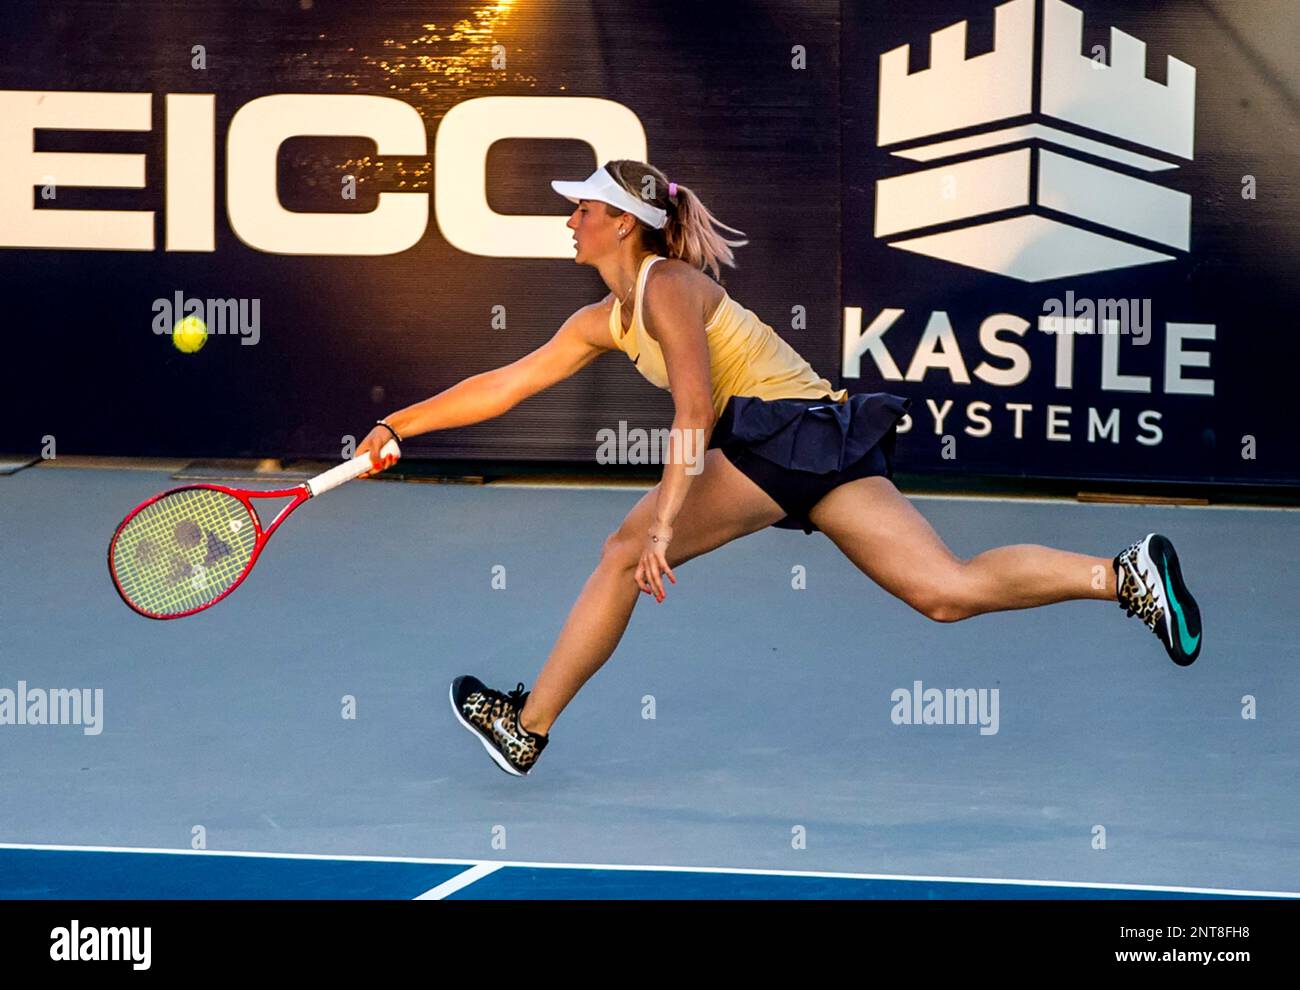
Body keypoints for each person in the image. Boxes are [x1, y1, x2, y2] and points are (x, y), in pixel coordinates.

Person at [355, 160, 1203, 777]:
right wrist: (398, 425)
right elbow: (503, 384)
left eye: (584, 206)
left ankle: (527, 729)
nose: (569, 216)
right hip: (821, 438)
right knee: (945, 591)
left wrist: (660, 524)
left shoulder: (668, 288)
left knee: (621, 552)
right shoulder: (603, 318)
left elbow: (694, 410)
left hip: (783, 437)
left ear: (624, 222)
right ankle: (1123, 576)